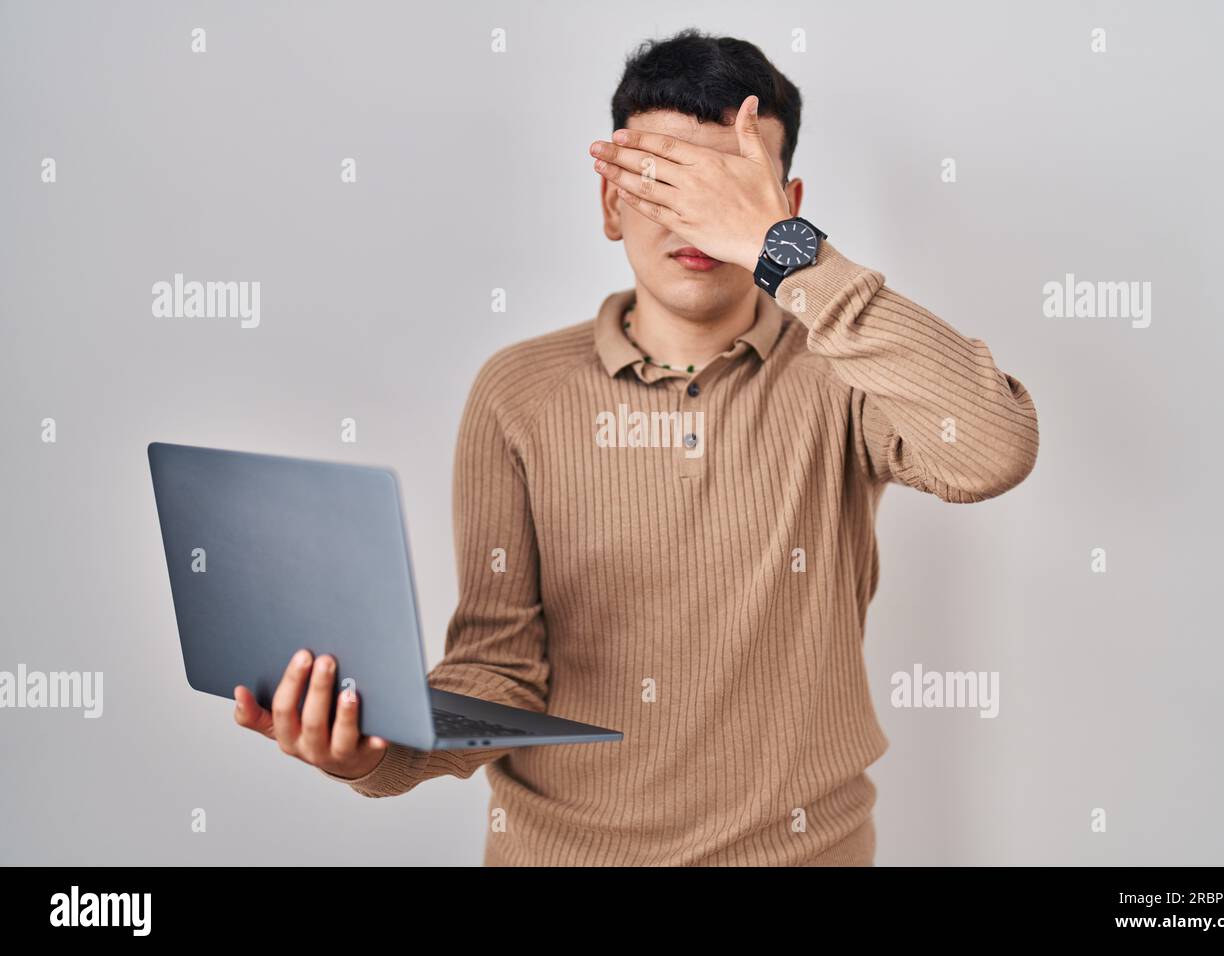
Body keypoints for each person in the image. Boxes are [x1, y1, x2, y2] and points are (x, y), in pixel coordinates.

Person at [233, 28, 1039, 866]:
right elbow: (496, 672)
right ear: (611, 203)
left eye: (727, 186)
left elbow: (994, 449)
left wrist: (789, 256)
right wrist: (378, 751)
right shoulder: (519, 391)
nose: (697, 219)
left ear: (783, 204)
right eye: (662, 182)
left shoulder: (842, 373)